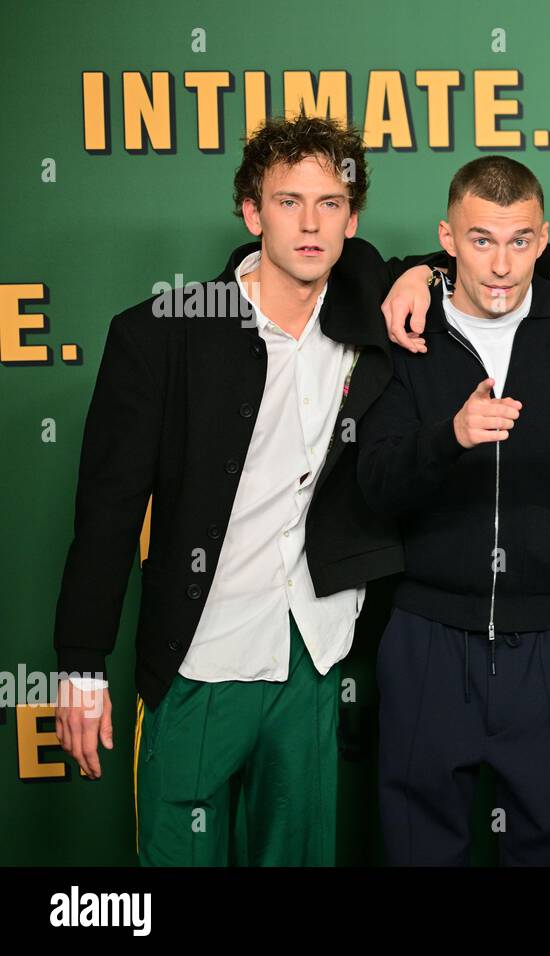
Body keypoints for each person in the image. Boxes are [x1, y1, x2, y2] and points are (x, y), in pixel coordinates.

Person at [52, 115, 404, 865]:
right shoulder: (160, 335)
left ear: (351, 220)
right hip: (199, 659)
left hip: (311, 657)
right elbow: (108, 512)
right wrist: (82, 663)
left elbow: (487, 253)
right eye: (287, 202)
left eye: (331, 204)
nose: (311, 223)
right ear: (251, 213)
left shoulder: (369, 307)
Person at [358, 157, 550, 865]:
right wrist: (450, 439)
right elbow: (373, 485)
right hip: (427, 637)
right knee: (416, 848)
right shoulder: (405, 334)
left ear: (546, 239)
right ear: (447, 241)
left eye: (521, 241)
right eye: (481, 240)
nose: (501, 264)